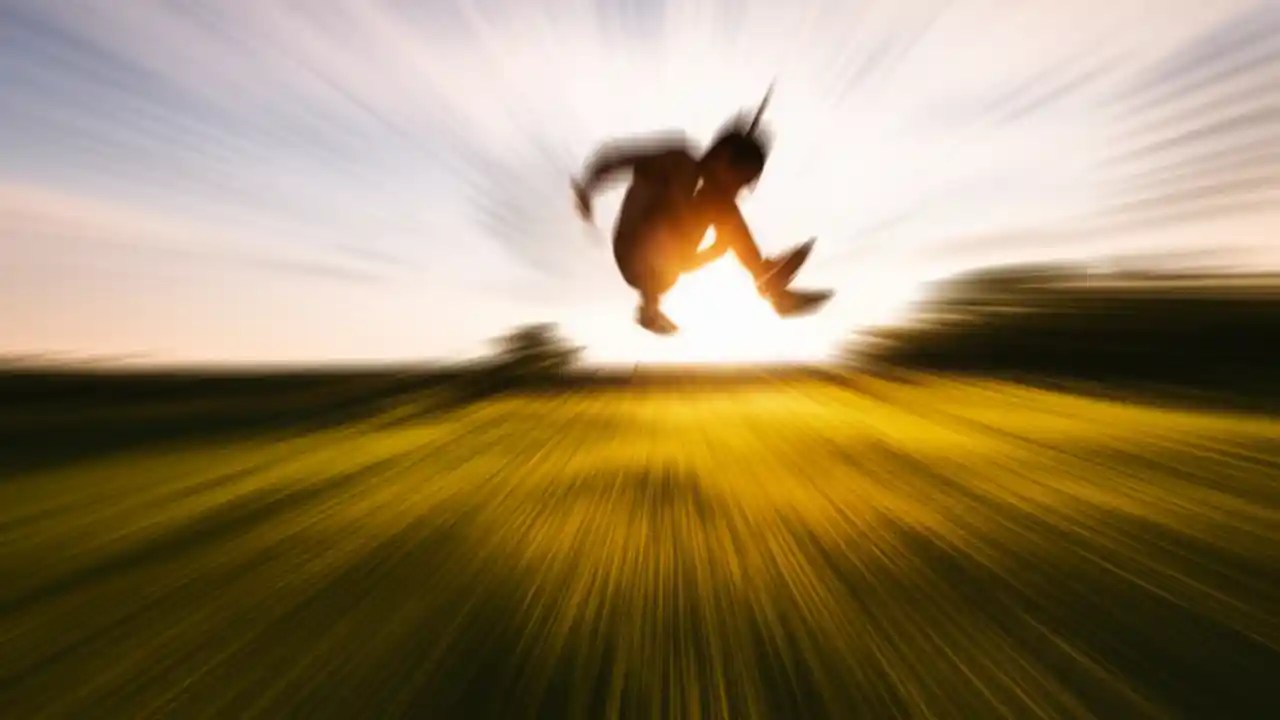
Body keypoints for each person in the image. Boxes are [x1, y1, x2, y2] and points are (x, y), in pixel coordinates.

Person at [571, 92, 796, 335]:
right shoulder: (677, 160)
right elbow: (616, 157)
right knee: (688, 181)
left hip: (668, 271)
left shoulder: (712, 198)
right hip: (632, 249)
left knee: (722, 207)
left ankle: (766, 280)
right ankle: (649, 305)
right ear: (722, 157)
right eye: (737, 181)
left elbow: (689, 259)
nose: (736, 190)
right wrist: (588, 186)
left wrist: (713, 252)